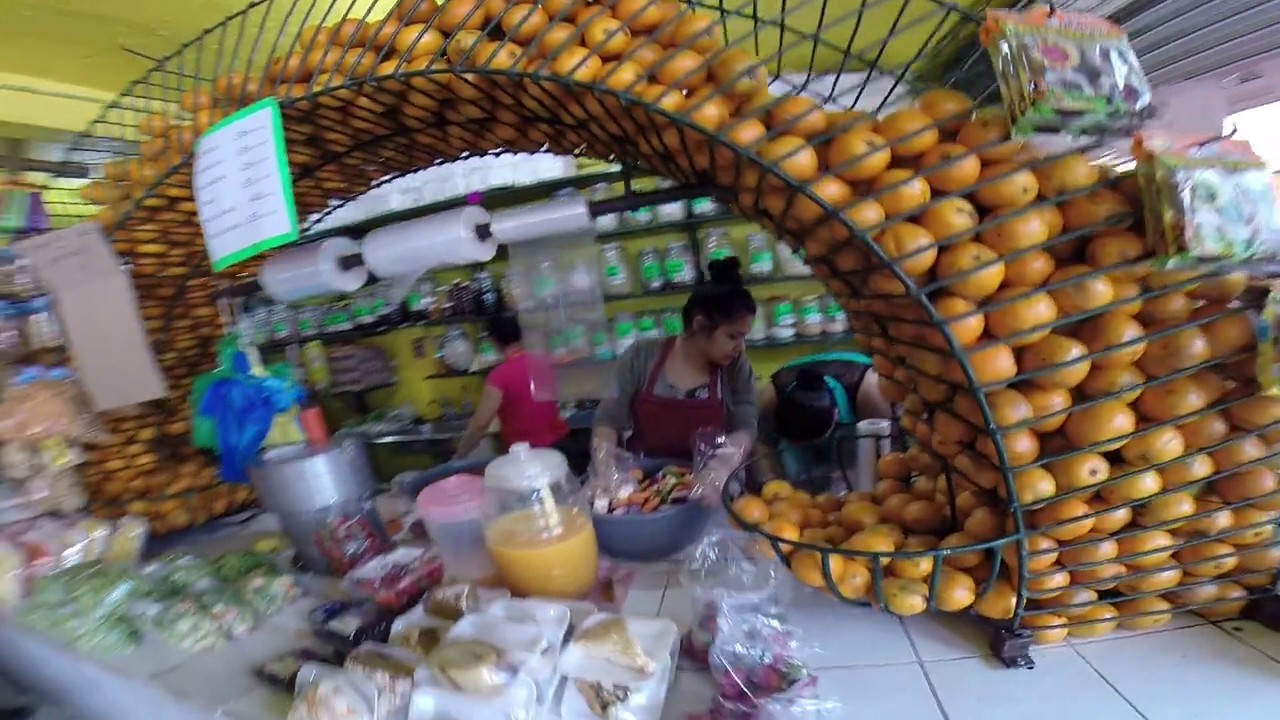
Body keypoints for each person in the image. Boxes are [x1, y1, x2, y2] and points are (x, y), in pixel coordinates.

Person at [592, 258, 759, 464]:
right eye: (733, 336)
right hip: (644, 481)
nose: (741, 347)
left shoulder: (736, 367)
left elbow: (745, 427)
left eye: (744, 337)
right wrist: (605, 469)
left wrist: (720, 470)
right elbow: (608, 419)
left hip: (712, 477)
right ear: (700, 325)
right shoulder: (641, 356)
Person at [756, 351, 895, 492]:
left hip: (853, 429)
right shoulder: (770, 397)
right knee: (795, 478)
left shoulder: (870, 392)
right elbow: (762, 443)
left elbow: (884, 450)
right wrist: (773, 485)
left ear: (836, 415)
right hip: (793, 446)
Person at [454, 314, 572, 462]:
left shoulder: (499, 376)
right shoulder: (544, 361)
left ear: (494, 341)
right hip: (559, 447)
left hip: (526, 455)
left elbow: (481, 423)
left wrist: (460, 455)